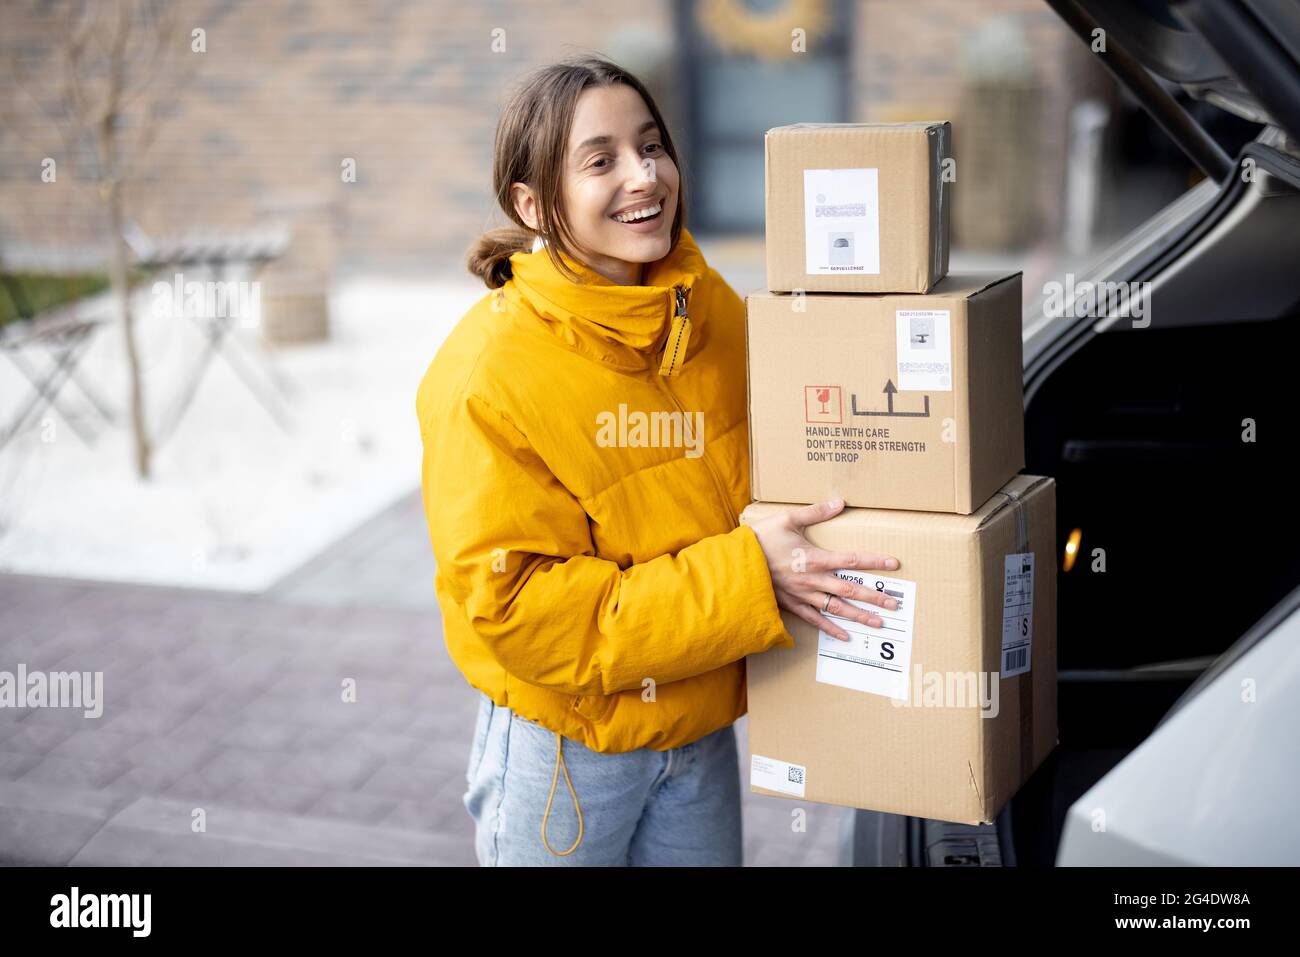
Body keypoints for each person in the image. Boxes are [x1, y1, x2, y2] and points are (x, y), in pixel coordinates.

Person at [416, 55, 900, 866]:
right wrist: (750, 570)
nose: (644, 176)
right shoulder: (485, 376)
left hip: (700, 726)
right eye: (600, 160)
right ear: (533, 203)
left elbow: (774, 464)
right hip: (570, 755)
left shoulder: (706, 303)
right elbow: (521, 610)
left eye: (652, 146)